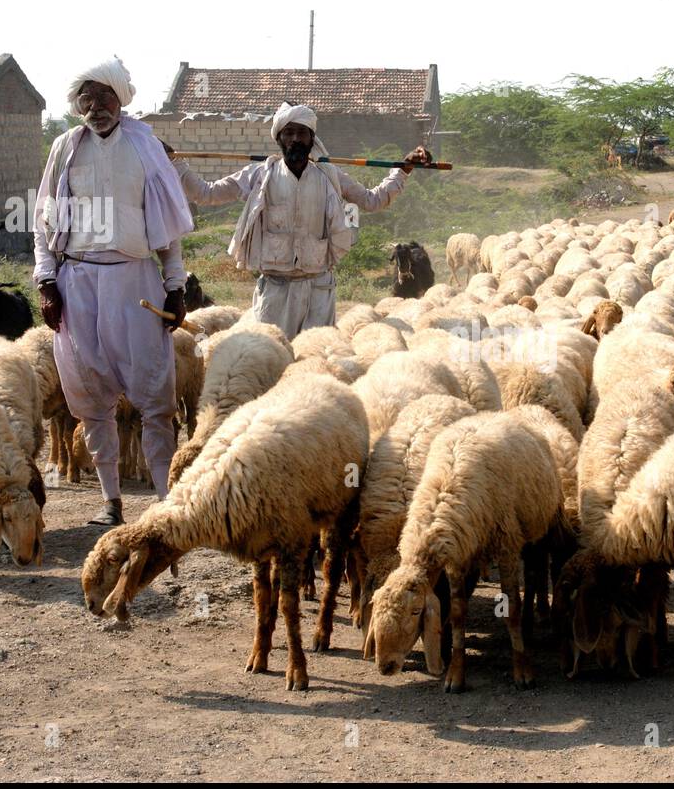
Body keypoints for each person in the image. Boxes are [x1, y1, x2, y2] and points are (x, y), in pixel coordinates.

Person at [32, 57, 193, 527]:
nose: (96, 106)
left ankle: (165, 500)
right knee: (89, 393)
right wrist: (46, 282)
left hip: (135, 279)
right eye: (87, 97)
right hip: (77, 282)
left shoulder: (146, 147)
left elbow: (166, 226)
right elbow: (44, 223)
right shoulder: (64, 148)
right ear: (76, 103)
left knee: (154, 395)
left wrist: (175, 286)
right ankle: (111, 502)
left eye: (105, 96)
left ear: (121, 98)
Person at [168, 103, 431, 339]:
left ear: (311, 138)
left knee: (314, 363)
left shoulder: (329, 176)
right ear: (279, 138)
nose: (295, 139)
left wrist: (403, 170)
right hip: (274, 291)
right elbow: (206, 193)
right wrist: (175, 162)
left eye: (301, 133)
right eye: (289, 133)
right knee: (268, 361)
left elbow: (373, 200)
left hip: (318, 290)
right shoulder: (260, 175)